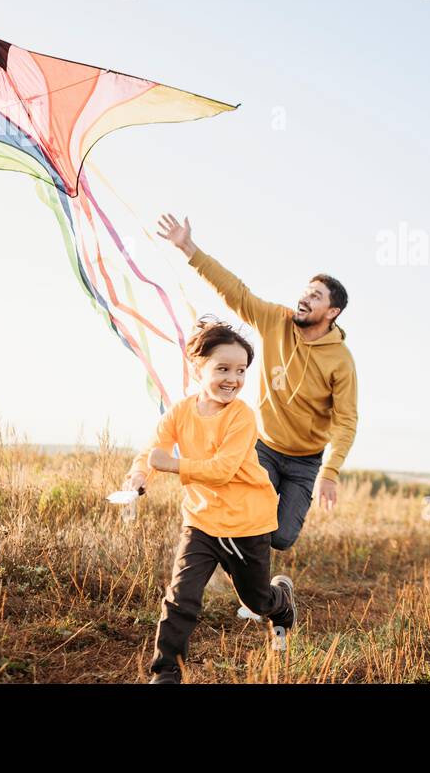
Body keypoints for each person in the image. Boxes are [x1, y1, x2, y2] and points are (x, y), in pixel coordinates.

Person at [156, 213, 358, 560]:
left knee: (280, 537)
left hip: (305, 461)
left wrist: (330, 472)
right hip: (263, 447)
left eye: (317, 296)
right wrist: (190, 249)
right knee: (246, 521)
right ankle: (249, 587)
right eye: (306, 291)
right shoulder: (276, 321)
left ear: (332, 312)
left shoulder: (340, 360)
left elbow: (346, 421)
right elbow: (236, 293)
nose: (305, 297)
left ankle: (262, 584)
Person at [122, 320, 296, 684]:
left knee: (256, 602)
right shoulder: (181, 411)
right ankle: (166, 672)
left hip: (247, 523)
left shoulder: (242, 416)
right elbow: (152, 450)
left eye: (241, 370)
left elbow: (222, 469)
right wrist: (139, 476)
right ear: (197, 368)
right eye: (222, 369)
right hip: (200, 522)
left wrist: (170, 465)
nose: (233, 378)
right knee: (181, 596)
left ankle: (281, 602)